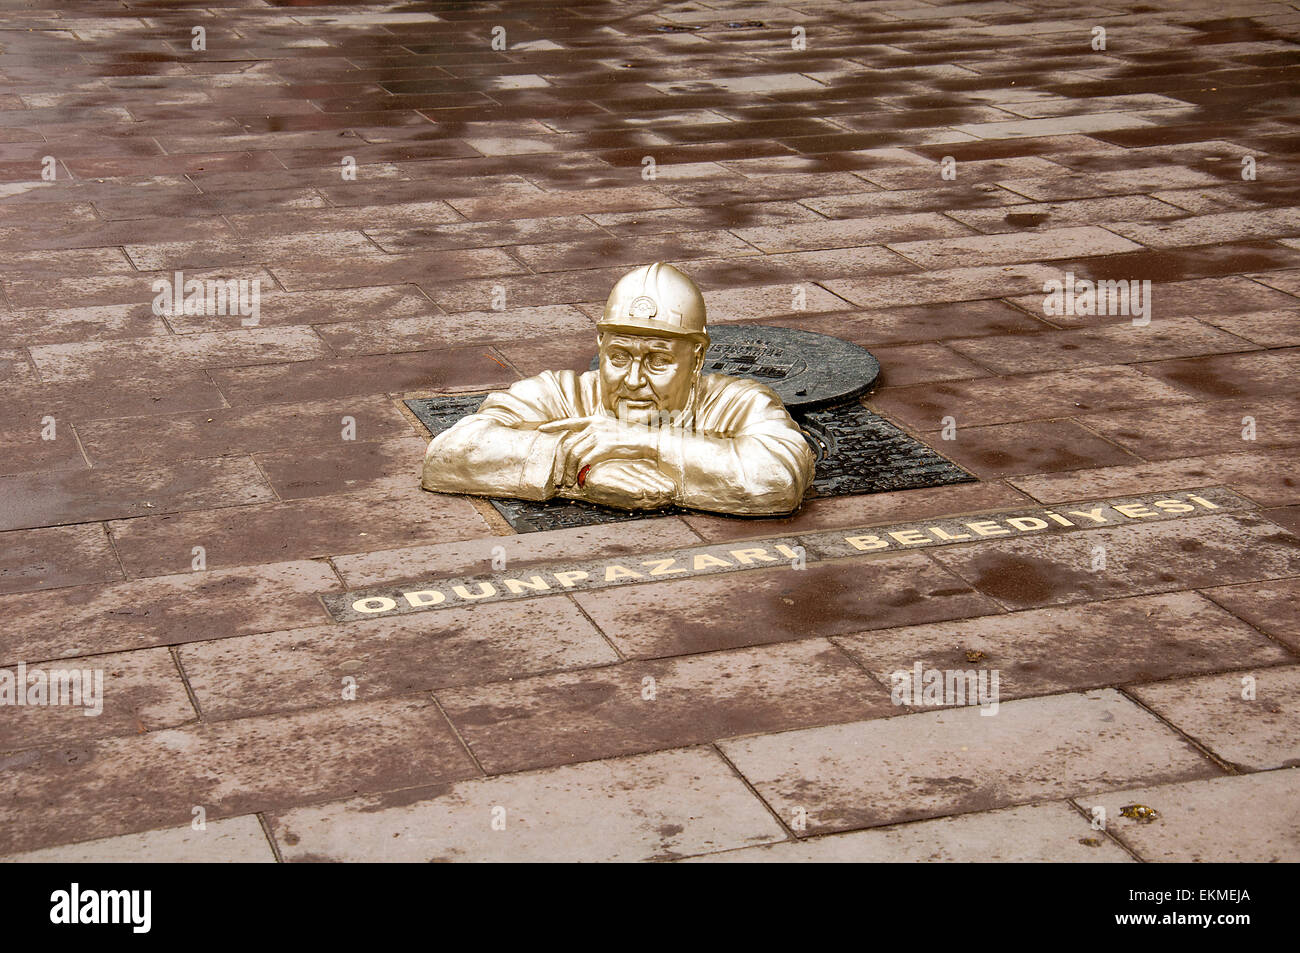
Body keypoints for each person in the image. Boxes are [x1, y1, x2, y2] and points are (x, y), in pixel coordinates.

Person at [421, 262, 815, 515]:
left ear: (696, 359)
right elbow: (448, 454)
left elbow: (776, 480)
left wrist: (644, 443)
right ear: (600, 348)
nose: (632, 380)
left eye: (659, 361)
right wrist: (582, 473)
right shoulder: (561, 392)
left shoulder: (740, 402)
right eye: (620, 357)